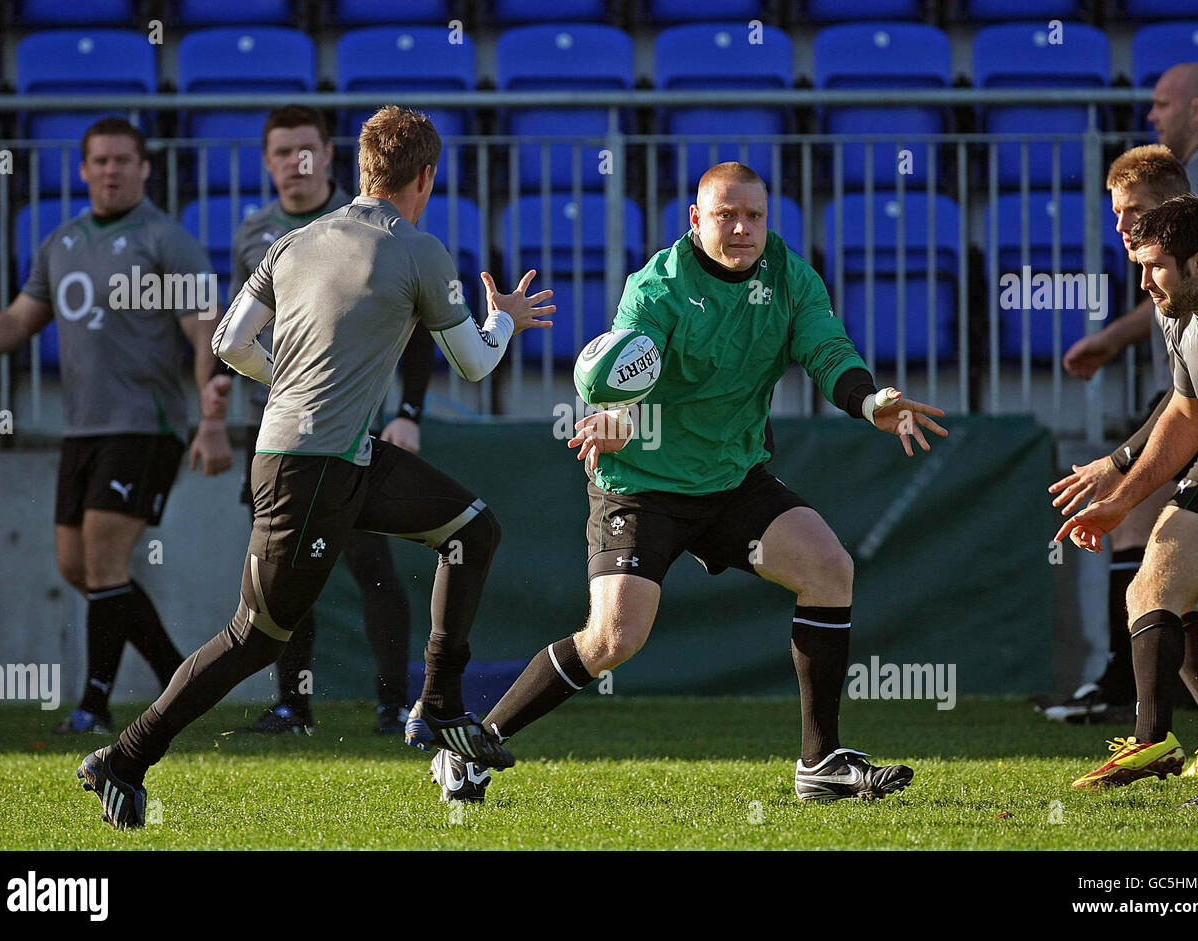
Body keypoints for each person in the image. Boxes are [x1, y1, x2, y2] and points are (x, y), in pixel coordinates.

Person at [76, 105, 553, 829]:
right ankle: (126, 757)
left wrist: (294, 382)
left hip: (333, 453)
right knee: (252, 637)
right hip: (310, 469)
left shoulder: (294, 242)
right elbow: (476, 362)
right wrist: (506, 319)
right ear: (427, 176)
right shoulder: (420, 248)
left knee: (471, 530)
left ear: (361, 169)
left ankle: (440, 704)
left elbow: (234, 344)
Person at [430, 161, 949, 805]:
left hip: (734, 480)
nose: (741, 229)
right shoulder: (658, 286)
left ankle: (821, 763)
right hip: (643, 485)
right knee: (613, 640)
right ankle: (473, 749)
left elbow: (827, 350)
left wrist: (873, 403)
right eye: (725, 215)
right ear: (695, 220)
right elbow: (629, 365)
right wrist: (615, 419)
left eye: (754, 216)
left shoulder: (791, 275)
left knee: (828, 567)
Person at [0, 117, 232, 735]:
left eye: (122, 160)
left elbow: (202, 328)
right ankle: (183, 681)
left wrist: (210, 412)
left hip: (145, 425)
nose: (111, 170)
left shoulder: (166, 239)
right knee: (76, 567)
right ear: (82, 171)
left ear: (144, 168)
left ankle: (93, 708)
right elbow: (17, 322)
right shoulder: (61, 243)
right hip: (81, 431)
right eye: (100, 161)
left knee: (106, 560)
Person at [200, 105, 432, 736]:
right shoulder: (258, 233)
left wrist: (409, 412)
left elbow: (419, 330)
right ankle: (291, 706)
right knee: (281, 580)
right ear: (268, 161)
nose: (295, 164)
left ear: (330, 157)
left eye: (306, 150)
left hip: (351, 431)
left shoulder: (376, 228)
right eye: (282, 152)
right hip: (272, 429)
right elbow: (234, 329)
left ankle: (394, 704)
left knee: (371, 569)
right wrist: (216, 404)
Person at [1053, 65, 1198, 722]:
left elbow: (1197, 410)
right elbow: (1187, 405)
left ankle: (1156, 719)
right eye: (1117, 218)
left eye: (1135, 217)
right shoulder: (1178, 309)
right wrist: (1115, 479)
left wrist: (1116, 473)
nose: (1125, 234)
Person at [1057, 194, 1198, 813]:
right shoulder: (1182, 317)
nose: (1143, 283)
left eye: (1153, 268)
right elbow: (1185, 415)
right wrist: (1118, 502)